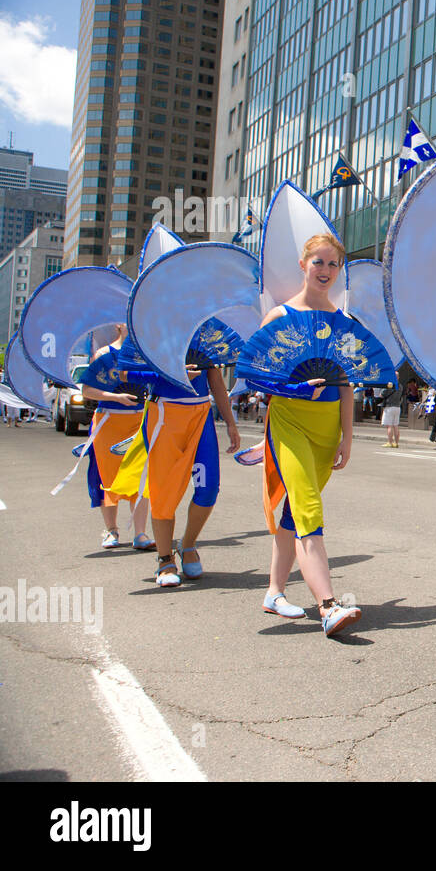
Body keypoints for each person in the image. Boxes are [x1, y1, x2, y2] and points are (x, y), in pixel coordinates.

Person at [245, 233, 361, 637]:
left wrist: (347, 437)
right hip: (289, 423)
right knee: (308, 507)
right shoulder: (279, 317)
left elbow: (346, 384)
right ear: (303, 264)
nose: (326, 271)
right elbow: (254, 374)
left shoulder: (344, 322)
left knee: (295, 513)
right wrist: (292, 388)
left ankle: (274, 592)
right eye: (319, 262)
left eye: (333, 264)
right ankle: (328, 605)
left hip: (327, 429)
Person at [112, 348, 240, 585]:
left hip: (201, 416)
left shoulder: (205, 332)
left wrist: (230, 422)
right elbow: (124, 373)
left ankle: (188, 544)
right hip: (163, 415)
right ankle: (164, 560)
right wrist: (172, 375)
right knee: (163, 492)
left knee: (209, 488)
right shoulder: (148, 329)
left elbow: (215, 380)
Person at [78, 323, 154, 550]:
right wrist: (115, 396)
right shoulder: (103, 354)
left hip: (139, 420)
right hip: (109, 420)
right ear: (119, 326)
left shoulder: (145, 354)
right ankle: (111, 530)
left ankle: (140, 533)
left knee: (140, 476)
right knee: (107, 477)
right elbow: (86, 390)